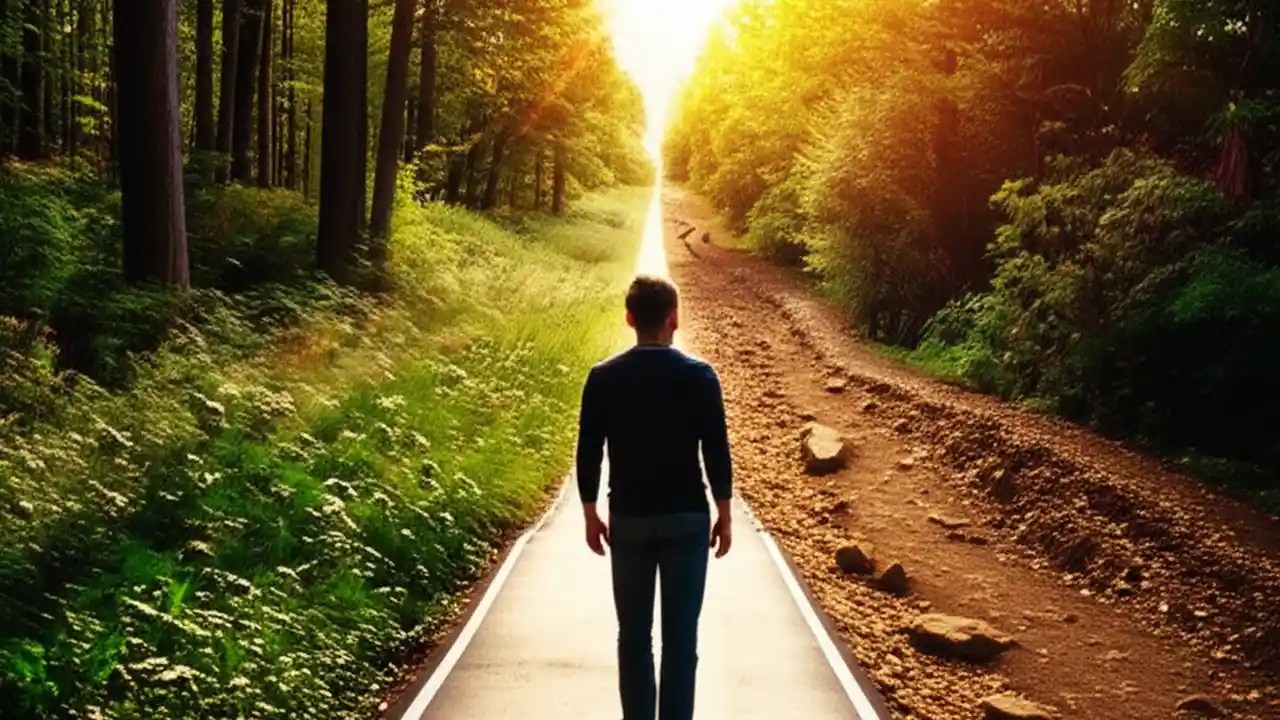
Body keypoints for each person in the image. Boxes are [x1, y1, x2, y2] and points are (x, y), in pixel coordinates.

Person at [575, 274, 734, 720]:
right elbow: (716, 450)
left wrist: (590, 513)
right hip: (687, 519)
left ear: (629, 319)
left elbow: (589, 450)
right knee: (681, 640)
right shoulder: (700, 377)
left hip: (629, 520)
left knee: (633, 637)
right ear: (673, 319)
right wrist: (724, 513)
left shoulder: (603, 378)